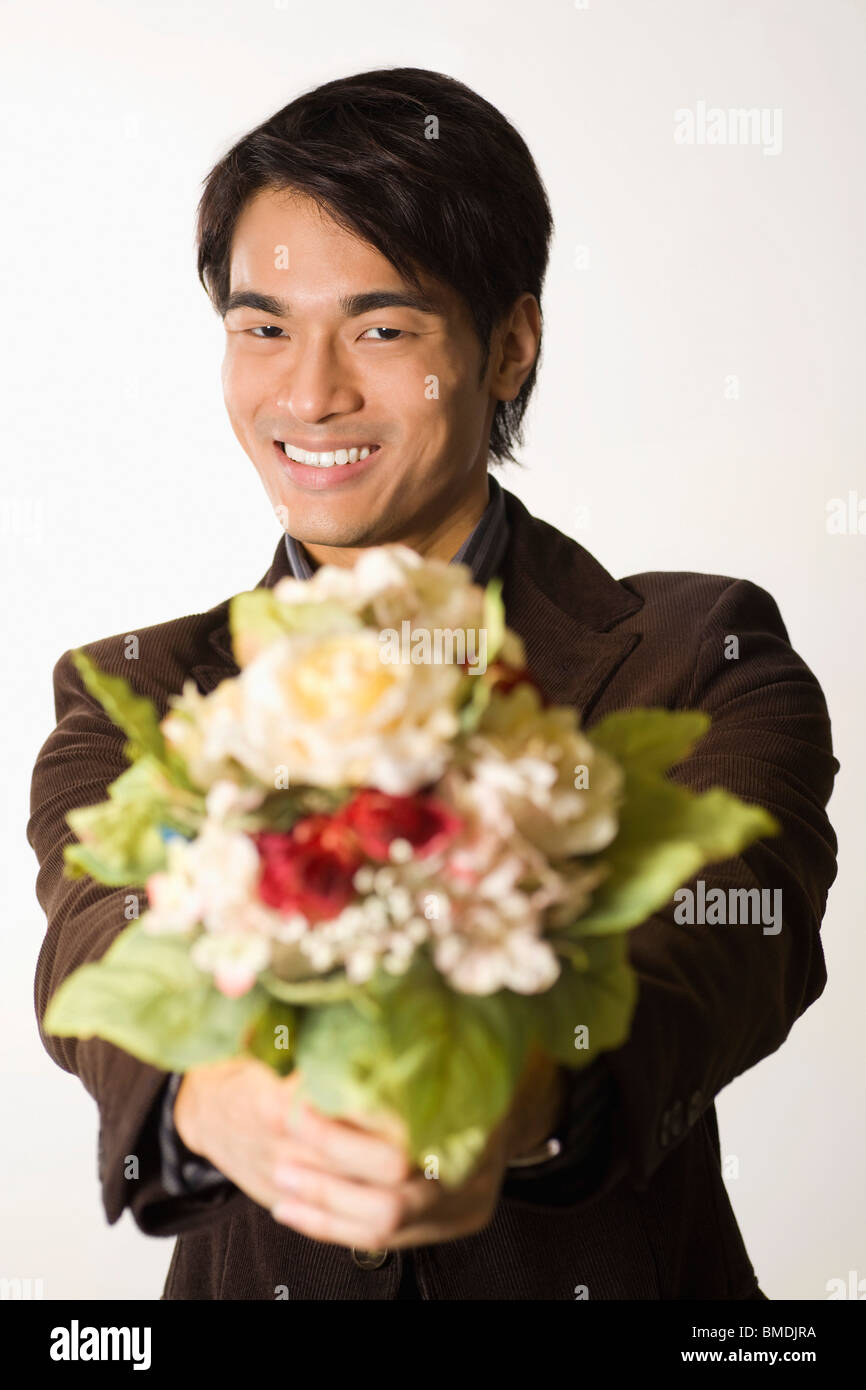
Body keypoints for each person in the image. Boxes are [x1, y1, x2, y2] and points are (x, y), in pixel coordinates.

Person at [29, 67, 838, 1301]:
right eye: (263, 328)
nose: (309, 394)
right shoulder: (134, 692)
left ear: (509, 345)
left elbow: (734, 934)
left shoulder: (697, 653)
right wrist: (208, 1095)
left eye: (381, 327)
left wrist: (531, 1092)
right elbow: (101, 937)